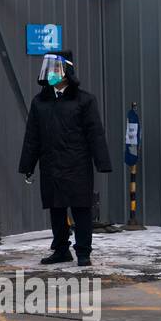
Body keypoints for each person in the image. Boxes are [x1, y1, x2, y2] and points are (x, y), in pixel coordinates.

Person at [18, 51, 113, 266]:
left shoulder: (84, 100)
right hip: (51, 164)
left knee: (81, 208)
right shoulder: (40, 102)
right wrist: (28, 165)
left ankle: (83, 252)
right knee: (56, 208)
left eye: (55, 70)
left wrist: (102, 162)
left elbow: (95, 133)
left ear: (66, 72)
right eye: (48, 70)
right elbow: (32, 137)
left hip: (77, 165)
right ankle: (61, 249)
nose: (50, 74)